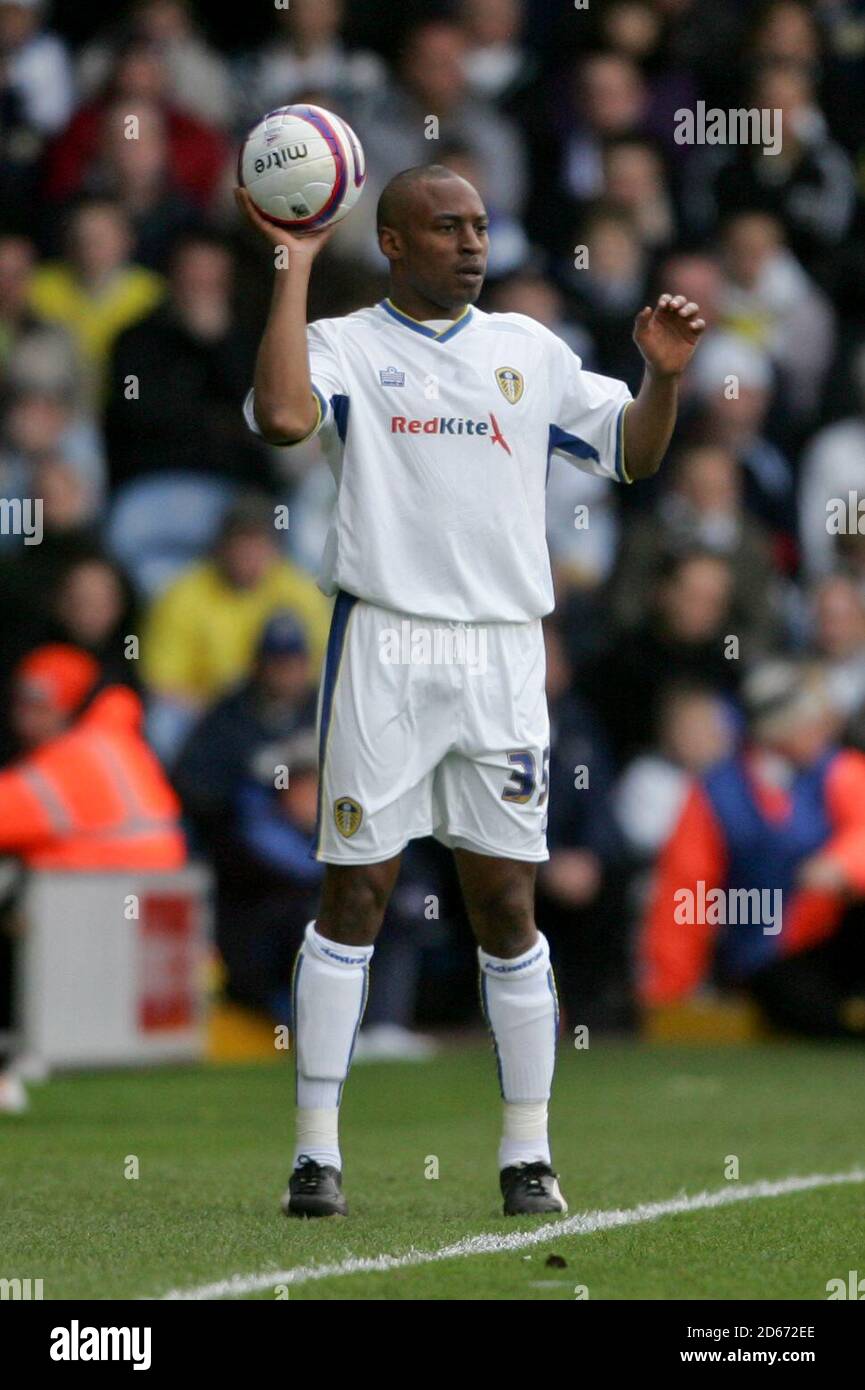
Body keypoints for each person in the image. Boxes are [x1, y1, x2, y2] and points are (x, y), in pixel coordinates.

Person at [236, 160, 706, 1218]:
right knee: (353, 892)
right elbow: (276, 416)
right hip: (386, 646)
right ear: (393, 243)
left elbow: (629, 452)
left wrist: (663, 376)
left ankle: (527, 1152)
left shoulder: (526, 351)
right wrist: (295, 263)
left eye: (480, 226)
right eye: (445, 227)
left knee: (505, 900)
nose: (471, 242)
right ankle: (316, 1149)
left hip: (500, 654)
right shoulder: (347, 338)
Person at [640, 660, 865, 1039]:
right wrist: (669, 993)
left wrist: (841, 865)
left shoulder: (838, 771)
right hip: (767, 957)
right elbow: (688, 893)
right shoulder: (717, 791)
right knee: (807, 1011)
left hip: (835, 935)